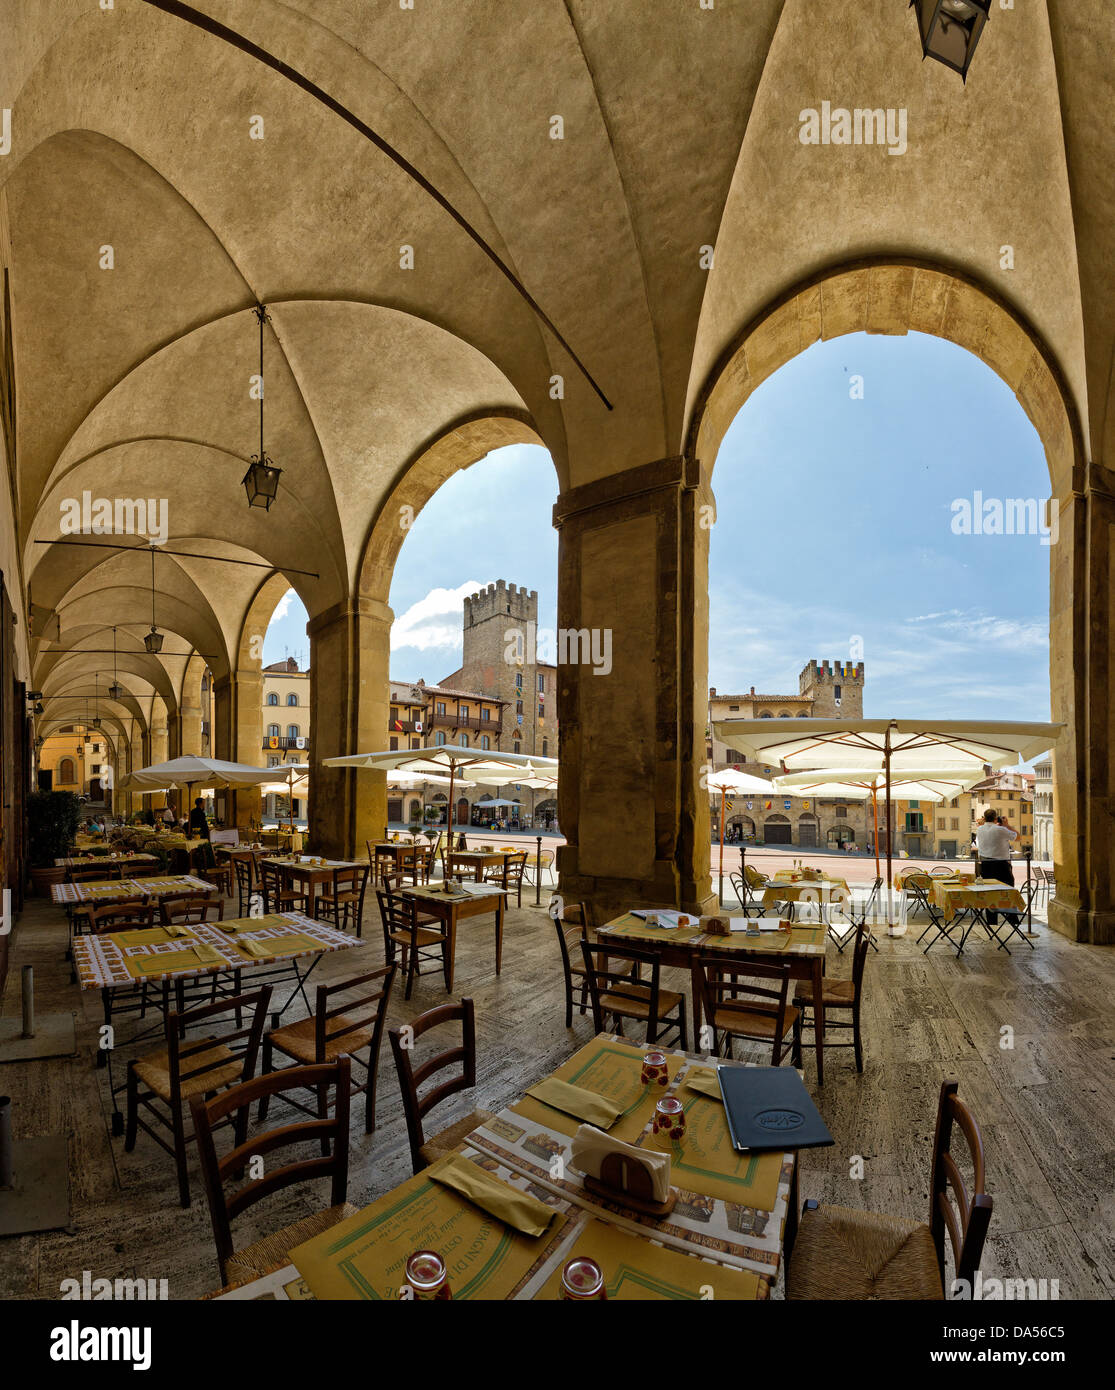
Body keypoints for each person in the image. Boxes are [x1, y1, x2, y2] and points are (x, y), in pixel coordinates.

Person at [974, 809, 1020, 927]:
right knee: (1009, 890)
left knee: (989, 893)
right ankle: (1012, 919)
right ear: (996, 818)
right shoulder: (1001, 829)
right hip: (1001, 865)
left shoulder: (979, 829)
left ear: (984, 818)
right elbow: (1018, 837)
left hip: (984, 865)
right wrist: (1006, 825)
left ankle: (992, 921)